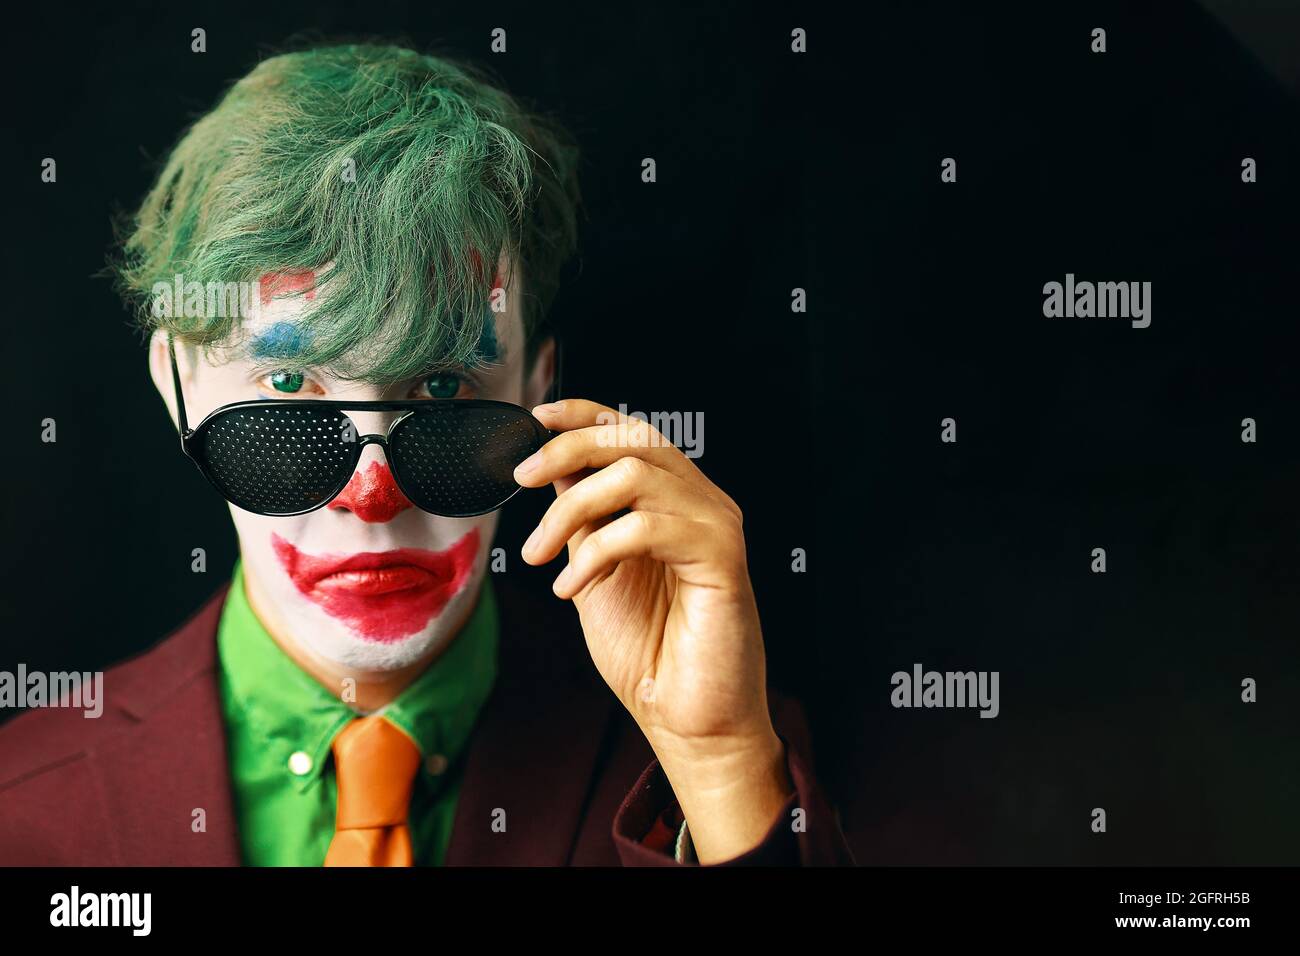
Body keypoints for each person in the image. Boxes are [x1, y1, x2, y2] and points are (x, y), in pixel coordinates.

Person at [0, 43, 853, 866]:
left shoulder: (720, 763)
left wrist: (717, 762)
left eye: (443, 387)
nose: (372, 491)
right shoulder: (23, 807)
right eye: (291, 384)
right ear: (175, 385)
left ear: (537, 385)